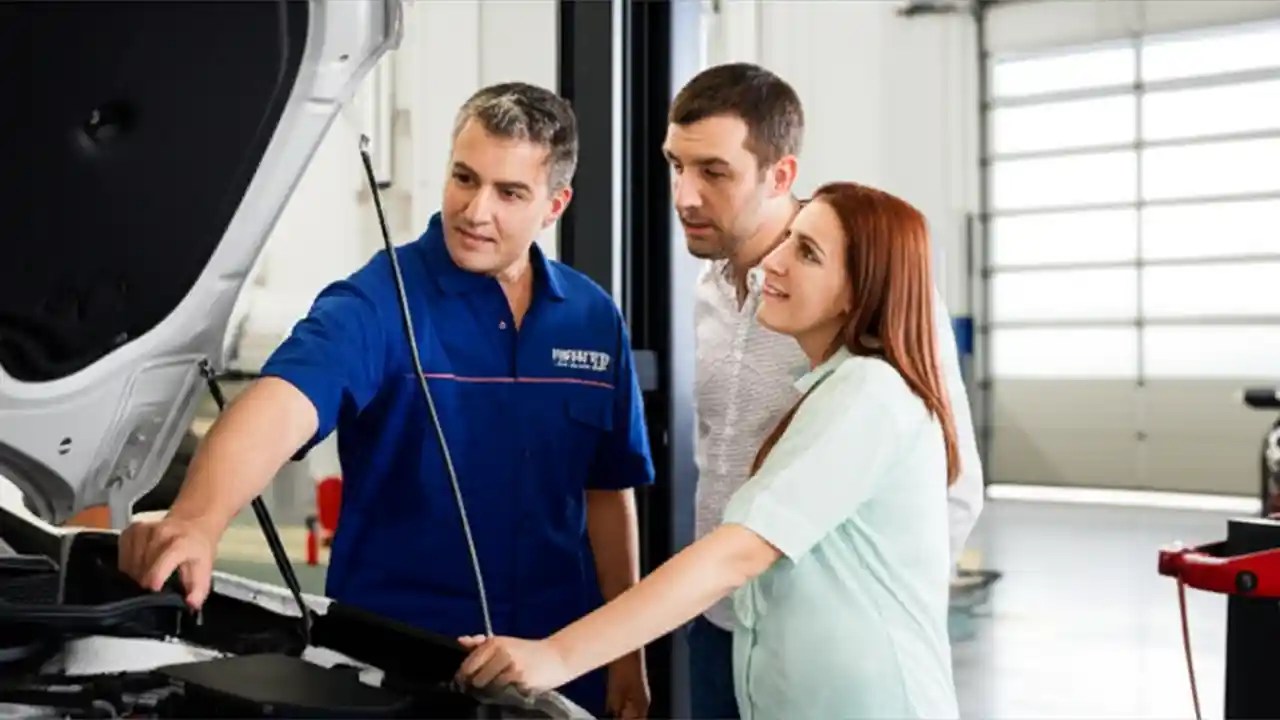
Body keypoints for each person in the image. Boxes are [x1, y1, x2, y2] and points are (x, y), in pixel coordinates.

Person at [116, 82, 654, 719]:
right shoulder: (378, 300)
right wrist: (199, 520)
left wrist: (626, 657)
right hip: (395, 670)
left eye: (509, 193)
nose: (476, 210)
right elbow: (283, 402)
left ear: (554, 204)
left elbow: (607, 494)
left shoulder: (594, 319)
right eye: (464, 178)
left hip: (556, 669)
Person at [455, 181, 963, 720]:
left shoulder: (870, 393)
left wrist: (556, 656)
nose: (776, 261)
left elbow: (738, 552)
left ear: (858, 294)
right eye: (789, 237)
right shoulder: (828, 390)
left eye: (808, 253)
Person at [664, 62, 984, 718]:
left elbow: (950, 486)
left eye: (713, 172)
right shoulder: (706, 292)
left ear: (781, 174)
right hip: (714, 626)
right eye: (676, 166)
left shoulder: (863, 301)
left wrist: (867, 621)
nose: (685, 196)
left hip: (812, 648)